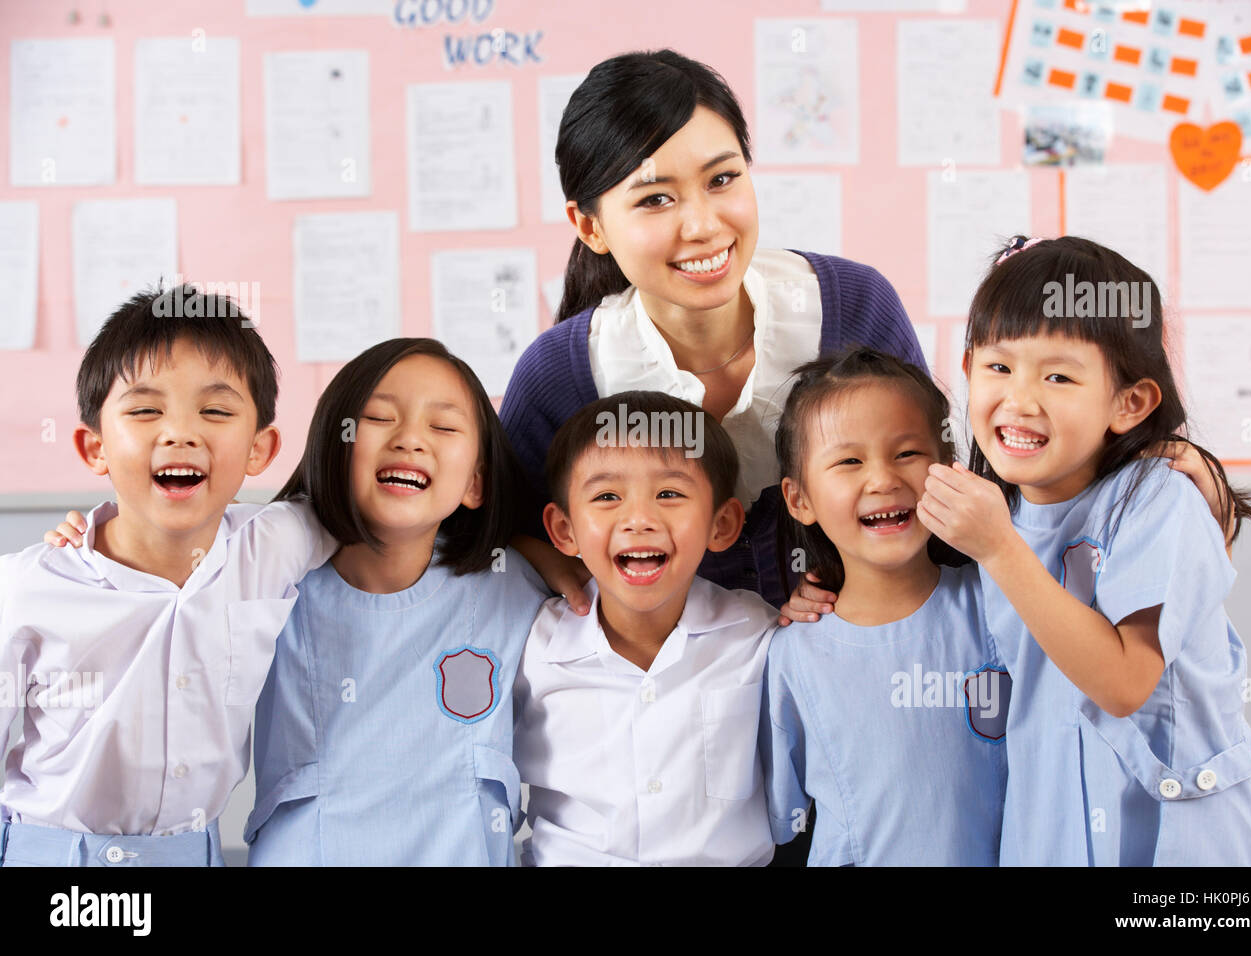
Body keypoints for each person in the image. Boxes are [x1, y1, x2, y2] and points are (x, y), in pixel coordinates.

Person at [501, 49, 926, 615]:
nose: (703, 225)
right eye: (655, 198)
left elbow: (934, 498)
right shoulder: (560, 375)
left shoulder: (854, 307)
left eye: (722, 179)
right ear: (590, 225)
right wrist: (540, 557)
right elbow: (492, 535)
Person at [916, 235, 1251, 865]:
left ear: (1129, 403)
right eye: (1000, 367)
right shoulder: (991, 516)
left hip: (1177, 850)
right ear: (968, 370)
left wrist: (1000, 549)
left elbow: (1125, 683)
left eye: (1057, 375)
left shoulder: (1160, 499)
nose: (1020, 399)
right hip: (1050, 834)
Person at [5, 286, 334, 866]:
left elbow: (374, 507)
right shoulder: (27, 590)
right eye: (144, 409)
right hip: (54, 859)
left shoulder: (276, 543)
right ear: (94, 446)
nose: (180, 432)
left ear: (261, 448)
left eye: (215, 411)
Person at [243, 339, 548, 865]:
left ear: (475, 482)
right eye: (379, 418)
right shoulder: (267, 581)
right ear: (334, 449)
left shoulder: (516, 588)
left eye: (444, 427)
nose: (410, 440)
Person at [761, 349, 1007, 866]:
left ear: (947, 469)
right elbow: (784, 816)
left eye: (907, 453)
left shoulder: (1000, 604)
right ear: (798, 497)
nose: (882, 479)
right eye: (849, 461)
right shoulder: (792, 654)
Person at [513, 391, 777, 866]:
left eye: (670, 494)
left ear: (722, 524)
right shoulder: (531, 647)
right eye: (607, 496)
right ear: (564, 531)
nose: (639, 520)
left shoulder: (760, 636)